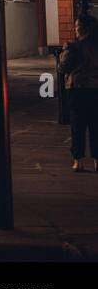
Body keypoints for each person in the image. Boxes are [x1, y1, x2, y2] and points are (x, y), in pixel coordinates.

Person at [60, 14, 98, 172]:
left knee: (78, 127)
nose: (75, 29)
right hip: (95, 89)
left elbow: (63, 67)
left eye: (77, 26)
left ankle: (78, 160)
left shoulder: (74, 47)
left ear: (85, 28)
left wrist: (64, 51)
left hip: (78, 90)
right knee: (95, 126)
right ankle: (97, 160)